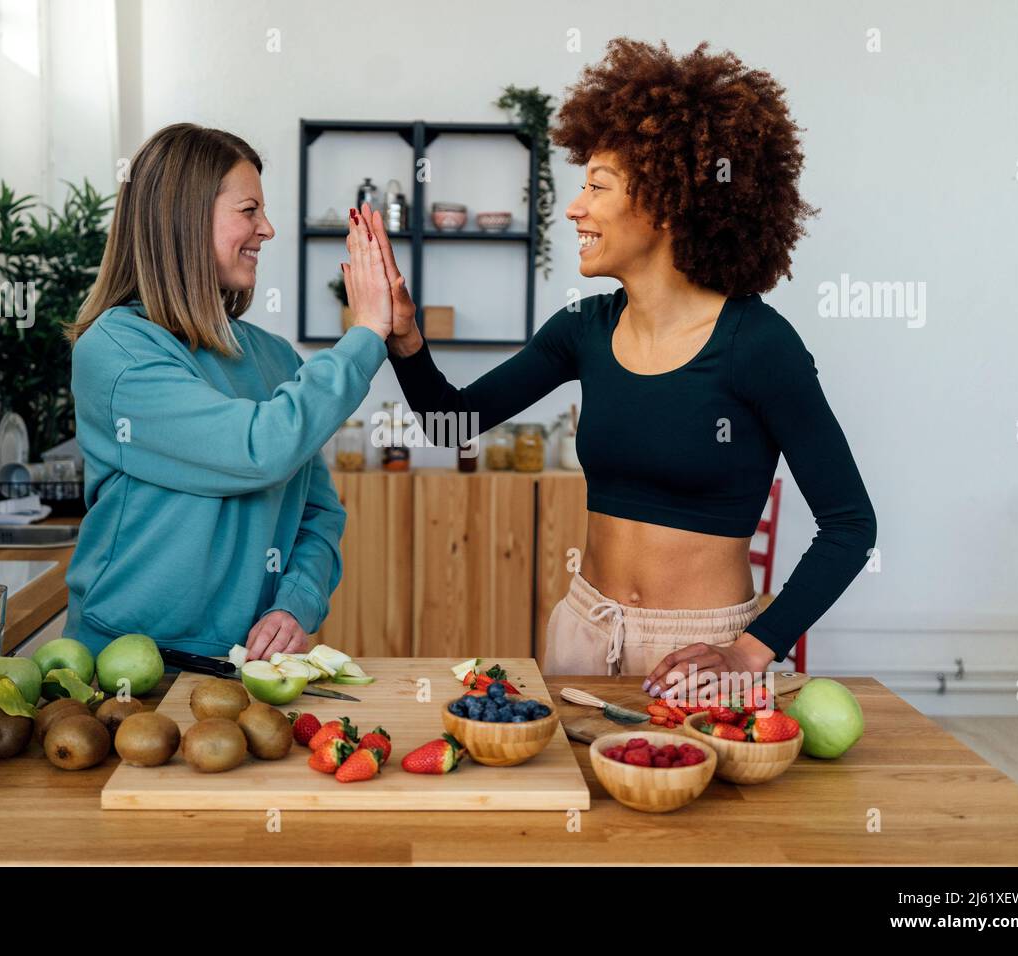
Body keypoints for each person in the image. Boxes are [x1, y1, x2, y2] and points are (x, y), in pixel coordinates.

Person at [374, 40, 877, 699]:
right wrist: (404, 335)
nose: (575, 208)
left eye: (596, 187)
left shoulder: (759, 345)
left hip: (698, 653)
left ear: (666, 204)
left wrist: (752, 649)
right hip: (581, 632)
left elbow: (850, 524)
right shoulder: (583, 329)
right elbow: (448, 421)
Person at [63, 123, 392, 662]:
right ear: (185, 217)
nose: (268, 229)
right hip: (124, 666)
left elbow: (318, 512)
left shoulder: (276, 357)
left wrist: (297, 602)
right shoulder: (117, 350)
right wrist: (367, 332)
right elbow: (256, 450)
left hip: (245, 667)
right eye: (249, 210)